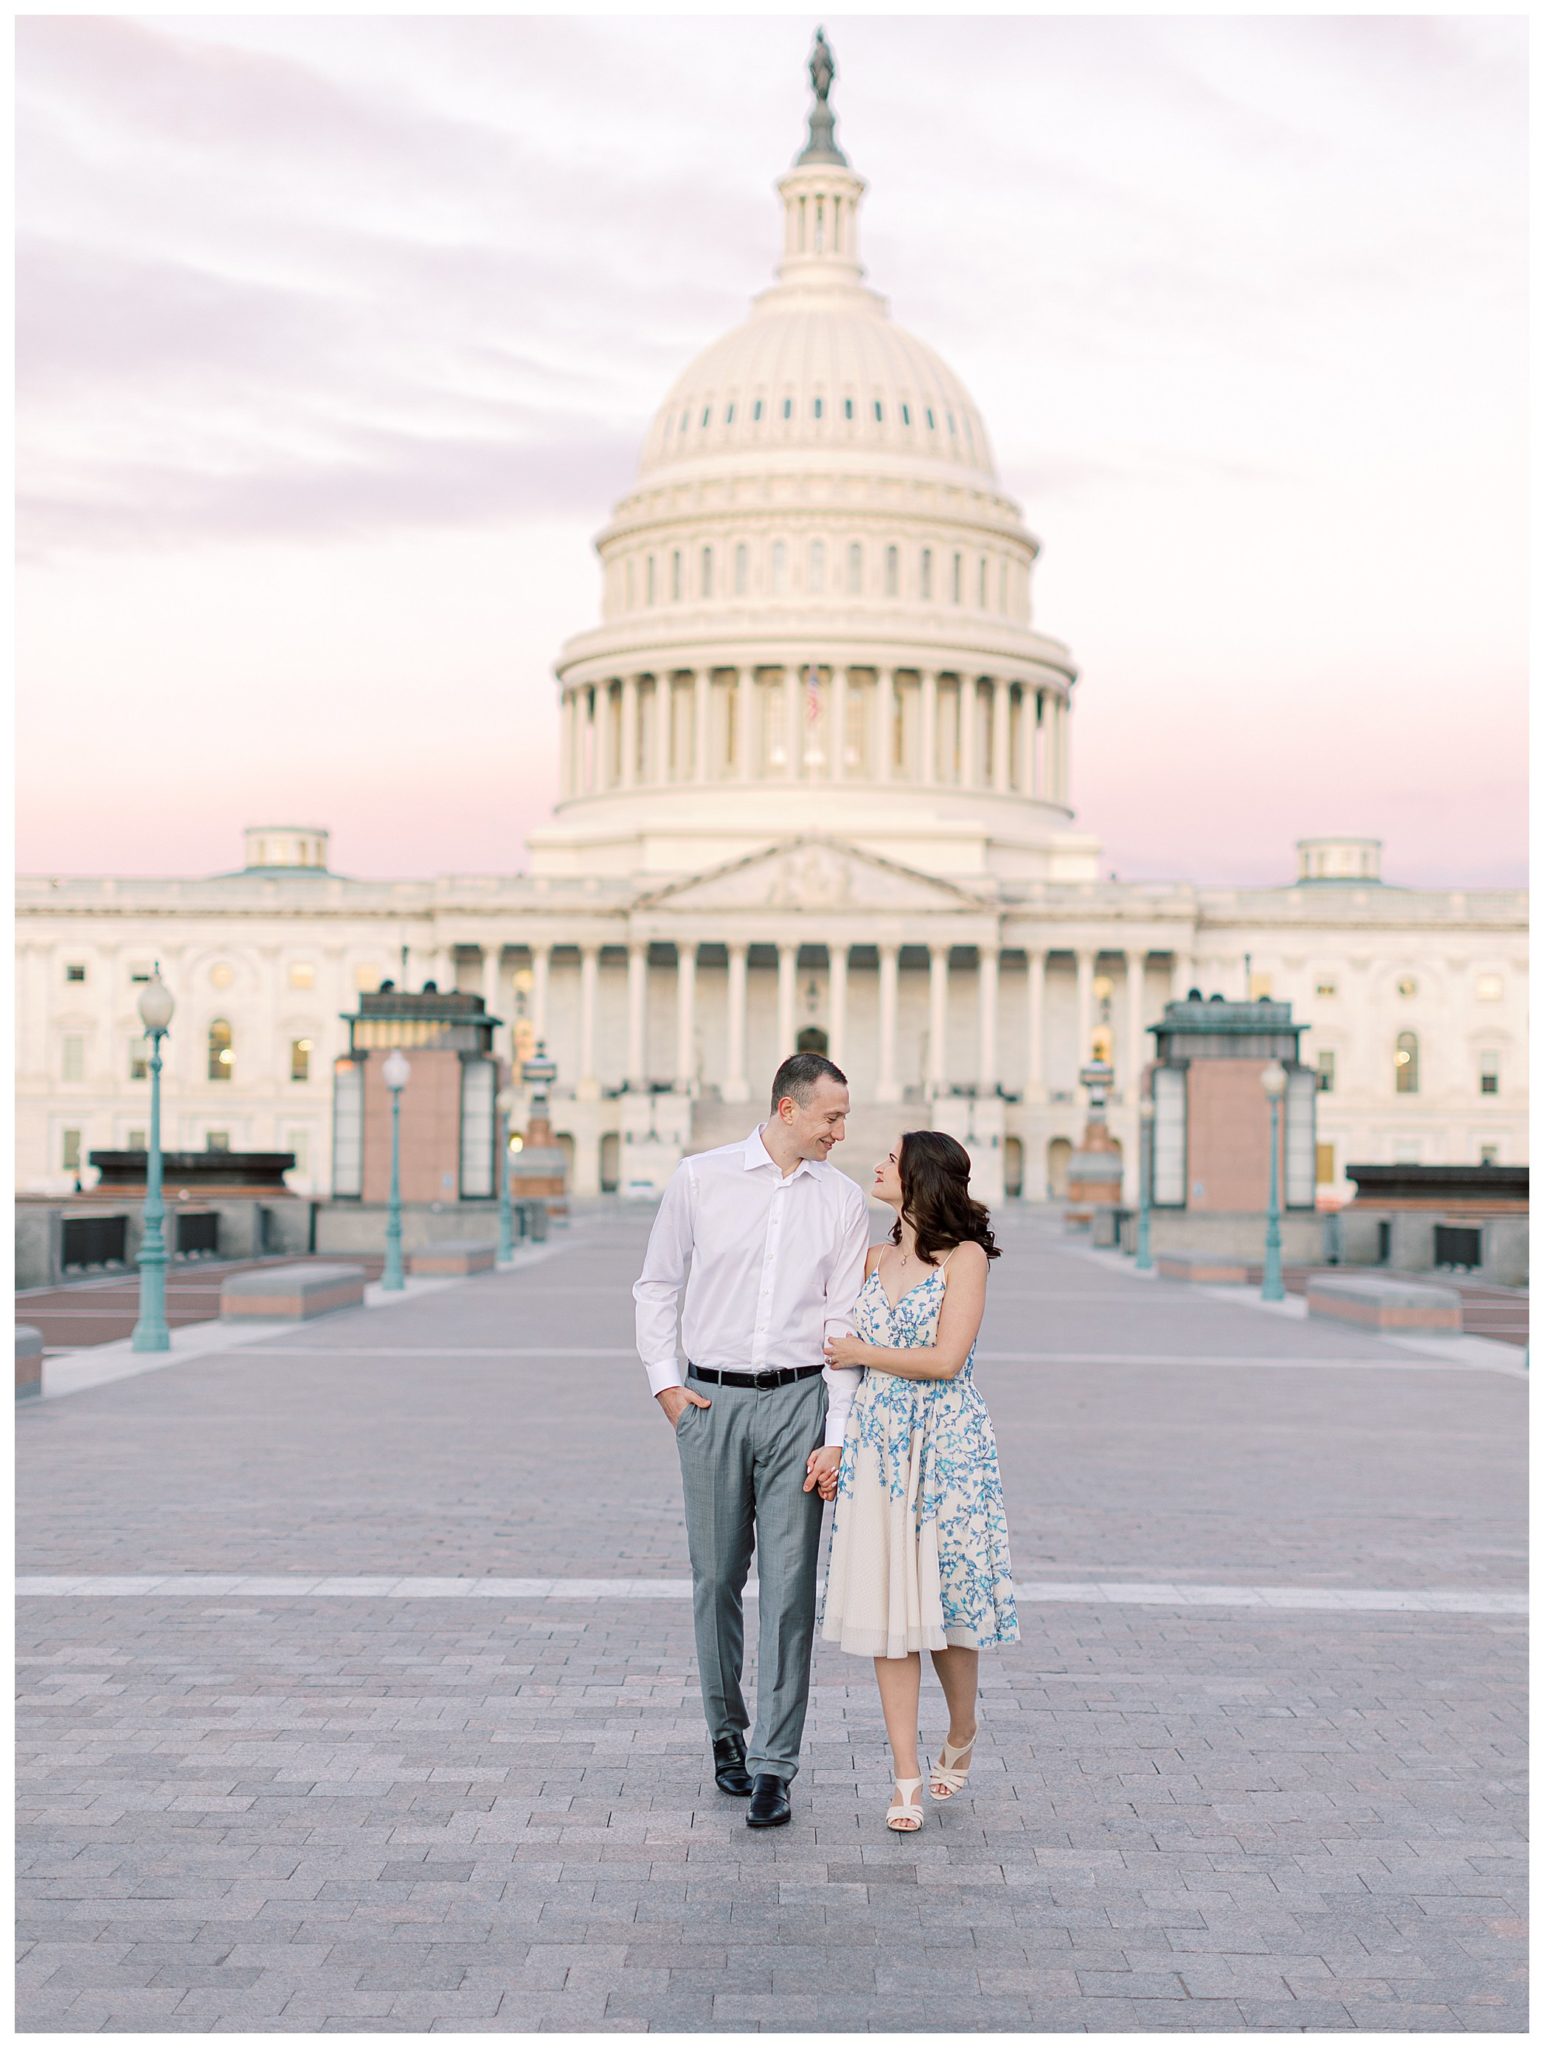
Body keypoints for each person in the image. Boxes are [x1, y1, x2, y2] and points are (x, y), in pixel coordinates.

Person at [634, 1053, 870, 1830]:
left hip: (800, 1402)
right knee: (714, 1582)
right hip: (710, 1401)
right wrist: (667, 1386)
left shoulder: (840, 1201)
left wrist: (836, 1434)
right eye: (832, 1117)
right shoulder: (700, 1180)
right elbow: (658, 1284)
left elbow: (842, 1324)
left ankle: (776, 1764)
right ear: (788, 1108)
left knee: (792, 1591)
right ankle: (725, 1735)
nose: (842, 1131)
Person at [818, 1130, 1018, 1832]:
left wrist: (860, 1350)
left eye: (891, 1160)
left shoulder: (966, 1259)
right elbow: (824, 1348)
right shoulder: (869, 1259)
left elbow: (945, 1360)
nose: (876, 1166)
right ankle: (904, 1775)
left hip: (948, 1444)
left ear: (921, 1177)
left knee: (948, 1614)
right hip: (878, 1445)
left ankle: (961, 1728)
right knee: (889, 1618)